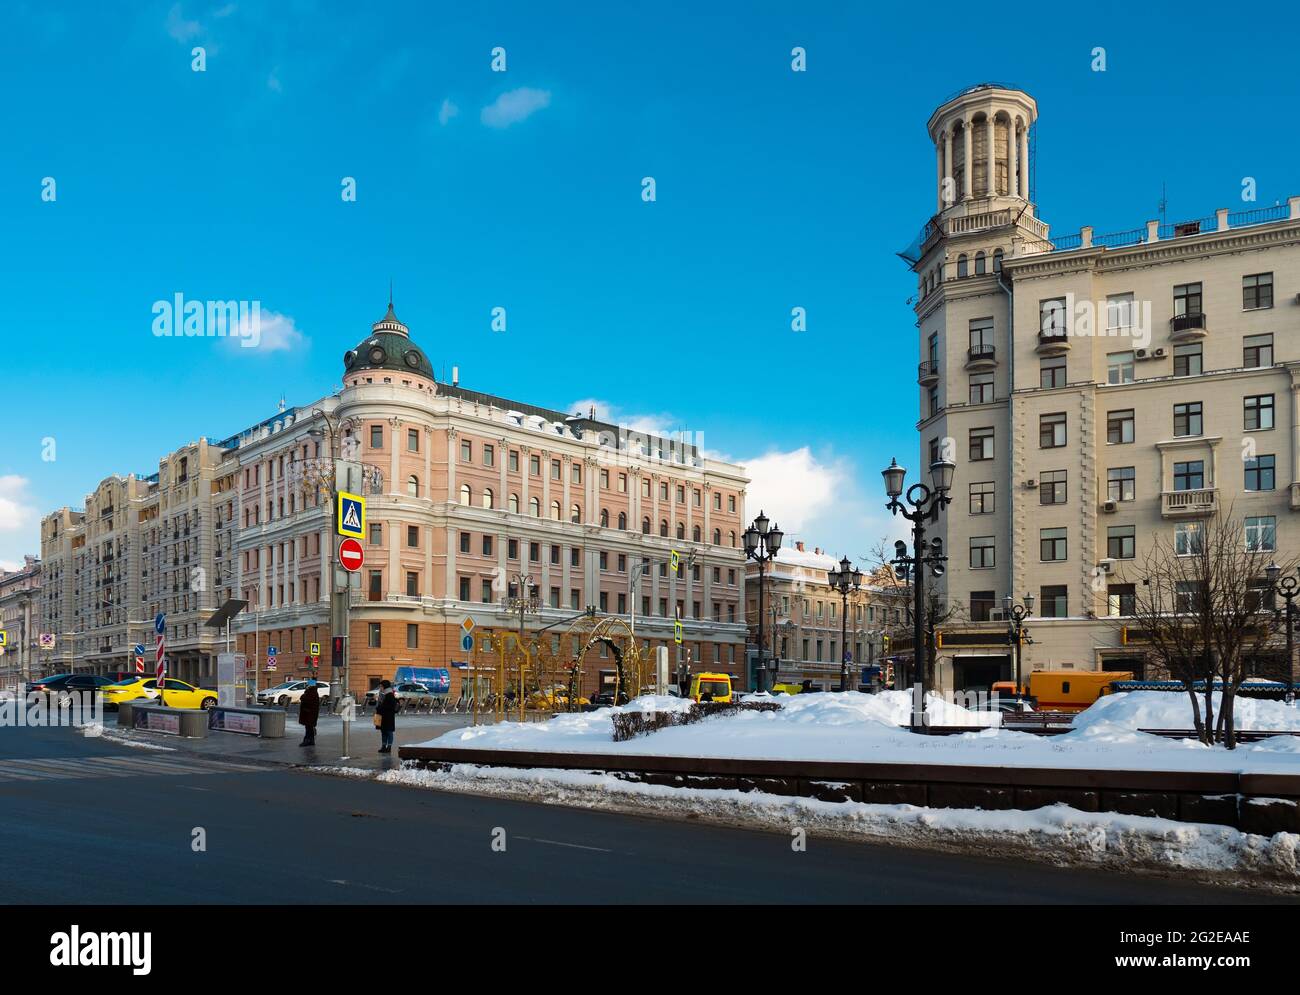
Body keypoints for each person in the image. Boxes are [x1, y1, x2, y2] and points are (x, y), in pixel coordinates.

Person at [375, 679, 397, 754]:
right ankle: (383, 746)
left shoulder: (389, 695)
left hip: (388, 717)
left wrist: (380, 707)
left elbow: (391, 706)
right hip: (382, 716)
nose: (380, 688)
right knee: (383, 731)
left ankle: (389, 747)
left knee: (389, 731)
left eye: (381, 686)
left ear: (385, 687)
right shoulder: (382, 694)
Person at [298, 679, 320, 747]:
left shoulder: (312, 691)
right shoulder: (312, 691)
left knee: (308, 727)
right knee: (309, 727)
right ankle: (311, 740)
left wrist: (302, 697)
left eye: (308, 684)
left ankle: (307, 740)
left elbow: (307, 699)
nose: (307, 685)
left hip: (309, 713)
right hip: (310, 713)